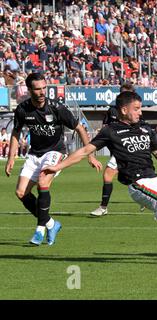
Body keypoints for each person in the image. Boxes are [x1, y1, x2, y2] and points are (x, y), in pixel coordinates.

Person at [42, 91, 157, 266]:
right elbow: (84, 151)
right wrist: (57, 167)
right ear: (124, 110)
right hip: (138, 184)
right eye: (137, 109)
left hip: (155, 179)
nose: (140, 113)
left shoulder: (145, 128)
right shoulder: (110, 131)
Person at [4, 72, 102, 246]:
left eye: (44, 88)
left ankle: (40, 229)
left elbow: (79, 128)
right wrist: (11, 157)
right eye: (38, 89)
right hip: (35, 154)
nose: (42, 92)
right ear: (29, 90)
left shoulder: (57, 108)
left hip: (55, 152)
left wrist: (91, 155)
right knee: (20, 193)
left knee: (43, 180)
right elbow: (16, 132)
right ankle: (51, 223)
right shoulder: (22, 109)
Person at [91, 83, 137, 216]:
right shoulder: (112, 110)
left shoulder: (134, 112)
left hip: (127, 148)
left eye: (126, 94)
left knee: (108, 175)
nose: (122, 96)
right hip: (118, 149)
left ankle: (103, 207)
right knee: (133, 178)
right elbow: (106, 126)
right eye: (121, 93)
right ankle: (151, 200)